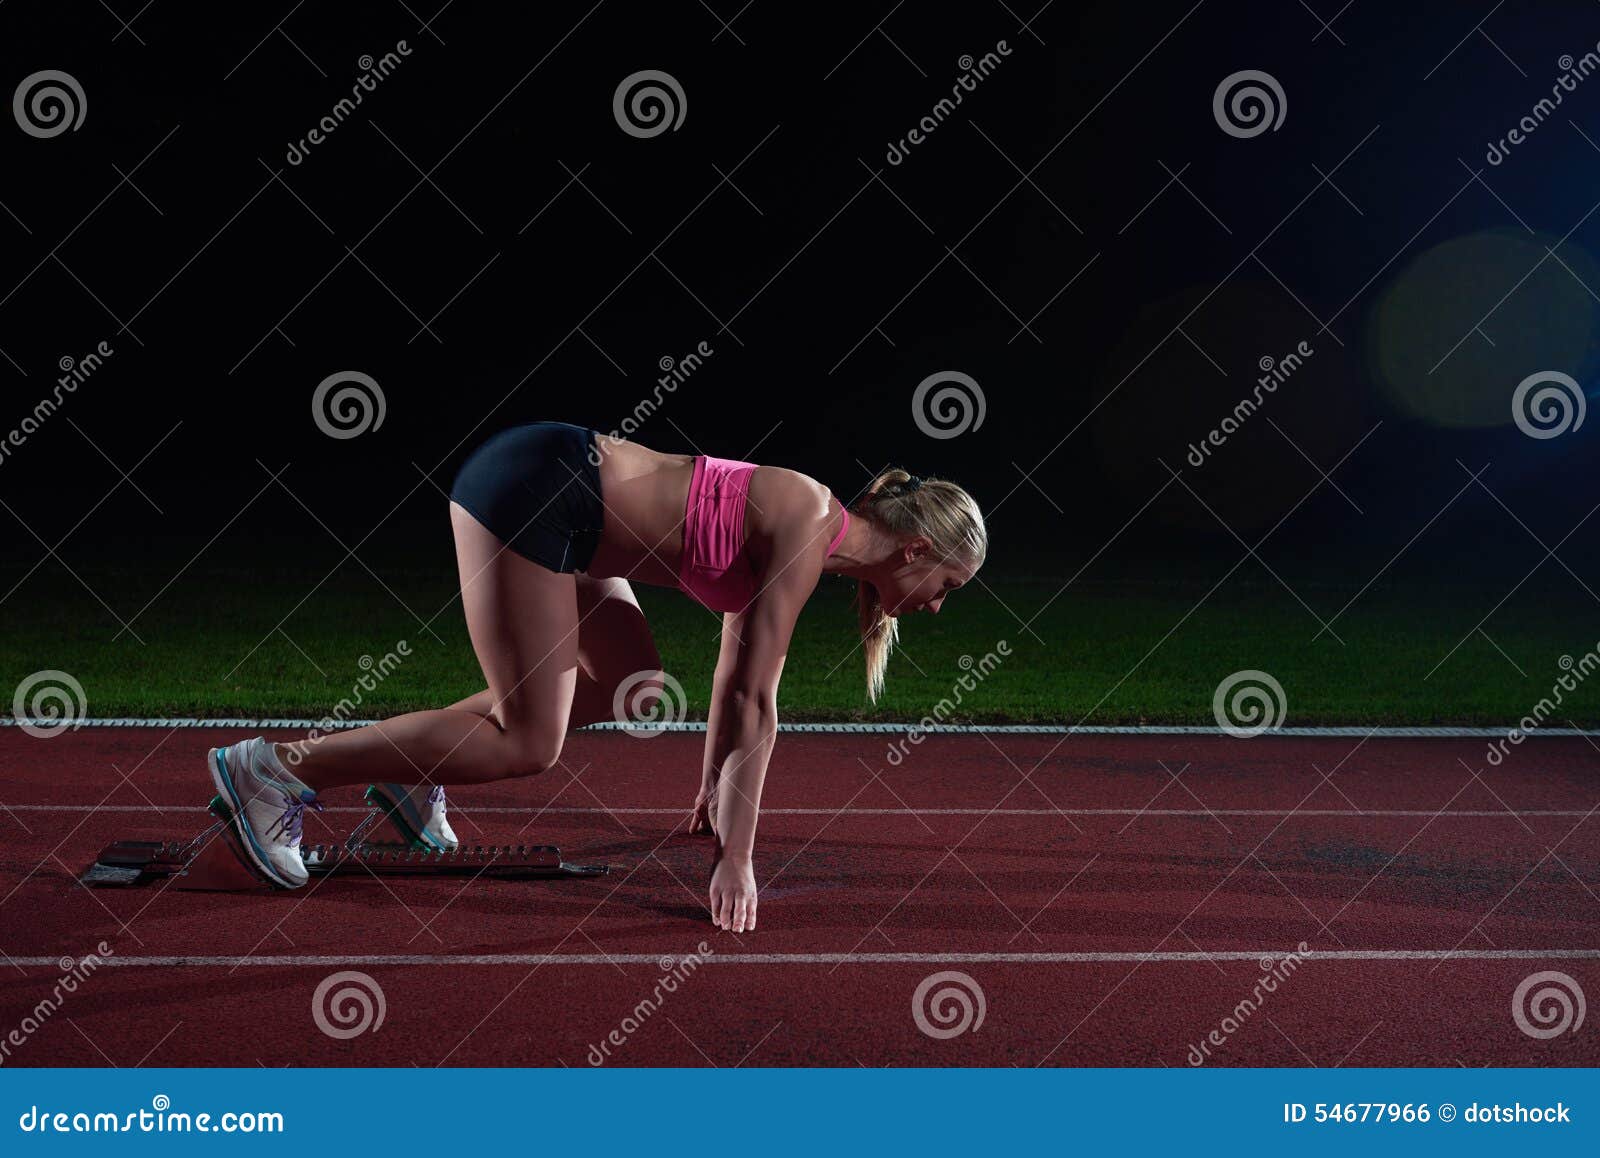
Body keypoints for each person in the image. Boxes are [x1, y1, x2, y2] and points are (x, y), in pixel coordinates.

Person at [206, 421, 986, 931]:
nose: (941, 608)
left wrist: (715, 789)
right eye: (949, 588)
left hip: (561, 504)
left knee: (627, 689)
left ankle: (412, 775)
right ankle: (273, 769)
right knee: (529, 739)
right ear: (915, 552)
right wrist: (737, 860)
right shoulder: (808, 522)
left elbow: (731, 677)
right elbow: (756, 699)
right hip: (539, 491)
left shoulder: (809, 535)